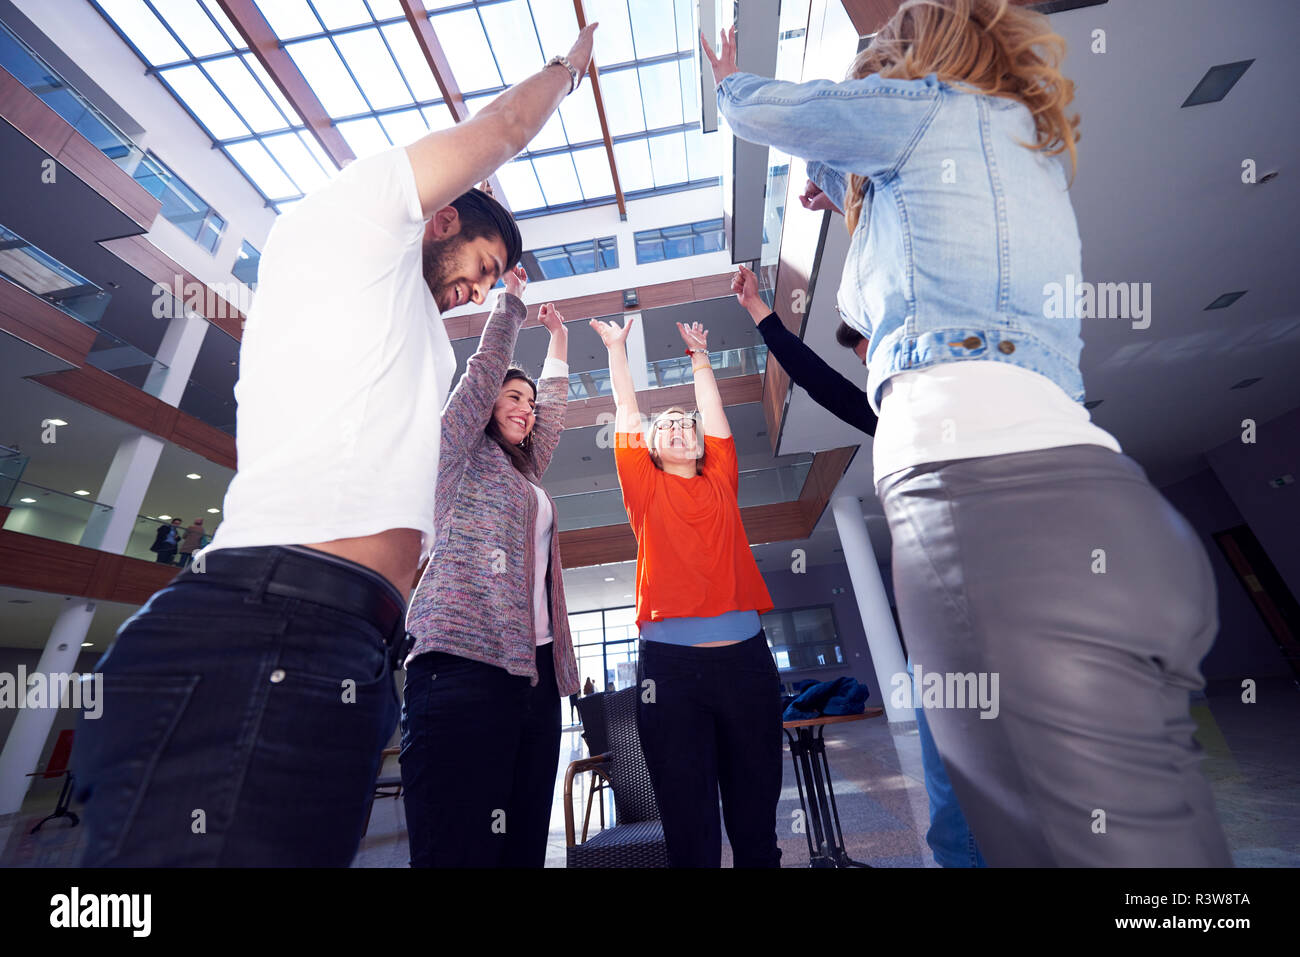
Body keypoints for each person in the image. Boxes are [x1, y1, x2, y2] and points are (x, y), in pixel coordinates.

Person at [704, 0, 1231, 866]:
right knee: (1110, 852)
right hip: (1110, 515)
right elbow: (926, 218)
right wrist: (836, 180)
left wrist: (729, 83)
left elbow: (770, 111)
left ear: (901, 61)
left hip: (989, 517)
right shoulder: (1028, 143)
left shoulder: (919, 110)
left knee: (1012, 845)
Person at [73, 22, 600, 867]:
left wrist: (507, 314)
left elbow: (487, 383)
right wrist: (568, 70)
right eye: (483, 257)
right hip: (268, 621)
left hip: (349, 641)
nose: (480, 282)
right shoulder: (353, 223)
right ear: (440, 218)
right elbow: (501, 132)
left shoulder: (418, 338)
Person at [732, 263, 984, 867]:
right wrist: (760, 313)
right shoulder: (889, 418)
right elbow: (821, 383)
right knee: (953, 806)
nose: (874, 370)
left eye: (881, 351)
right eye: (868, 359)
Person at [400, 271, 580, 868]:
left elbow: (551, 416)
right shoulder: (457, 454)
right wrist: (513, 307)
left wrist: (559, 343)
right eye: (513, 399)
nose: (525, 411)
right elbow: (480, 379)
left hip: (533, 680)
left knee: (523, 847)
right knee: (459, 850)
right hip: (459, 667)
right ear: (485, 409)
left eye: (528, 404)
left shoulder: (525, 475)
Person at [592, 315, 782, 869]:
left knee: (754, 820)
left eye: (686, 424)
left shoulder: (721, 476)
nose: (678, 428)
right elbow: (627, 412)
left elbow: (716, 418)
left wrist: (701, 357)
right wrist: (616, 351)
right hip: (670, 676)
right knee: (689, 824)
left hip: (745, 666)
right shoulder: (643, 489)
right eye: (668, 425)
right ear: (652, 446)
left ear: (701, 444)